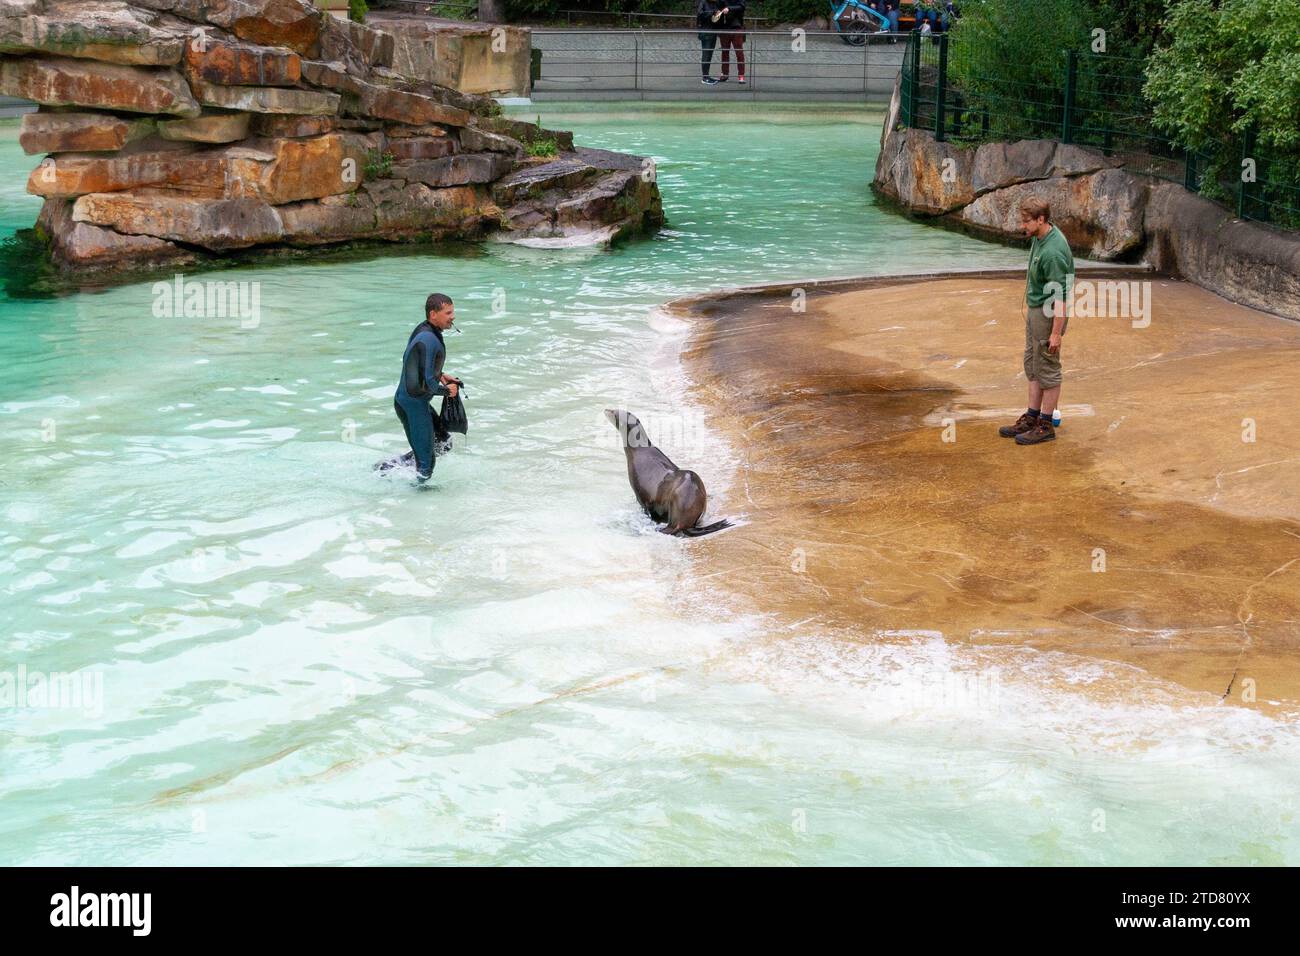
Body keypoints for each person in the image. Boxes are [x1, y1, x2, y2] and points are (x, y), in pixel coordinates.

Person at [999, 198, 1074, 446]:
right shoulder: (1038, 237)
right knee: (1033, 362)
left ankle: (1045, 424)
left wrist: (1056, 334)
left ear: (1041, 220)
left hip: (1048, 313)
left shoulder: (1053, 252)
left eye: (1026, 221)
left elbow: (1060, 298)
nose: (1023, 226)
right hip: (1035, 310)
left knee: (1048, 368)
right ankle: (1031, 417)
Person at [393, 293, 462, 481]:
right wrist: (447, 390)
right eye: (448, 312)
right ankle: (419, 498)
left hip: (412, 401)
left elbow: (419, 366)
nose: (453, 316)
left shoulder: (424, 331)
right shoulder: (429, 339)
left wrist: (441, 376)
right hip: (412, 406)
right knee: (426, 466)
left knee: (443, 442)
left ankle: (390, 468)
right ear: (433, 314)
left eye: (452, 312)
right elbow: (425, 383)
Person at [716, 1, 746, 84]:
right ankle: (725, 74)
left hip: (736, 27)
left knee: (739, 53)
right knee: (724, 52)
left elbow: (742, 6)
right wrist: (717, 11)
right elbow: (718, 7)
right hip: (724, 28)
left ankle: (741, 76)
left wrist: (729, 8)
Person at [697, 0, 724, 86]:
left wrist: (718, 14)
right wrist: (712, 12)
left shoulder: (714, 3)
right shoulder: (703, 2)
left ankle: (707, 76)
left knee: (709, 55)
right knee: (706, 54)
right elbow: (700, 14)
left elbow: (716, 18)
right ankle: (705, 78)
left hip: (713, 32)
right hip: (705, 32)